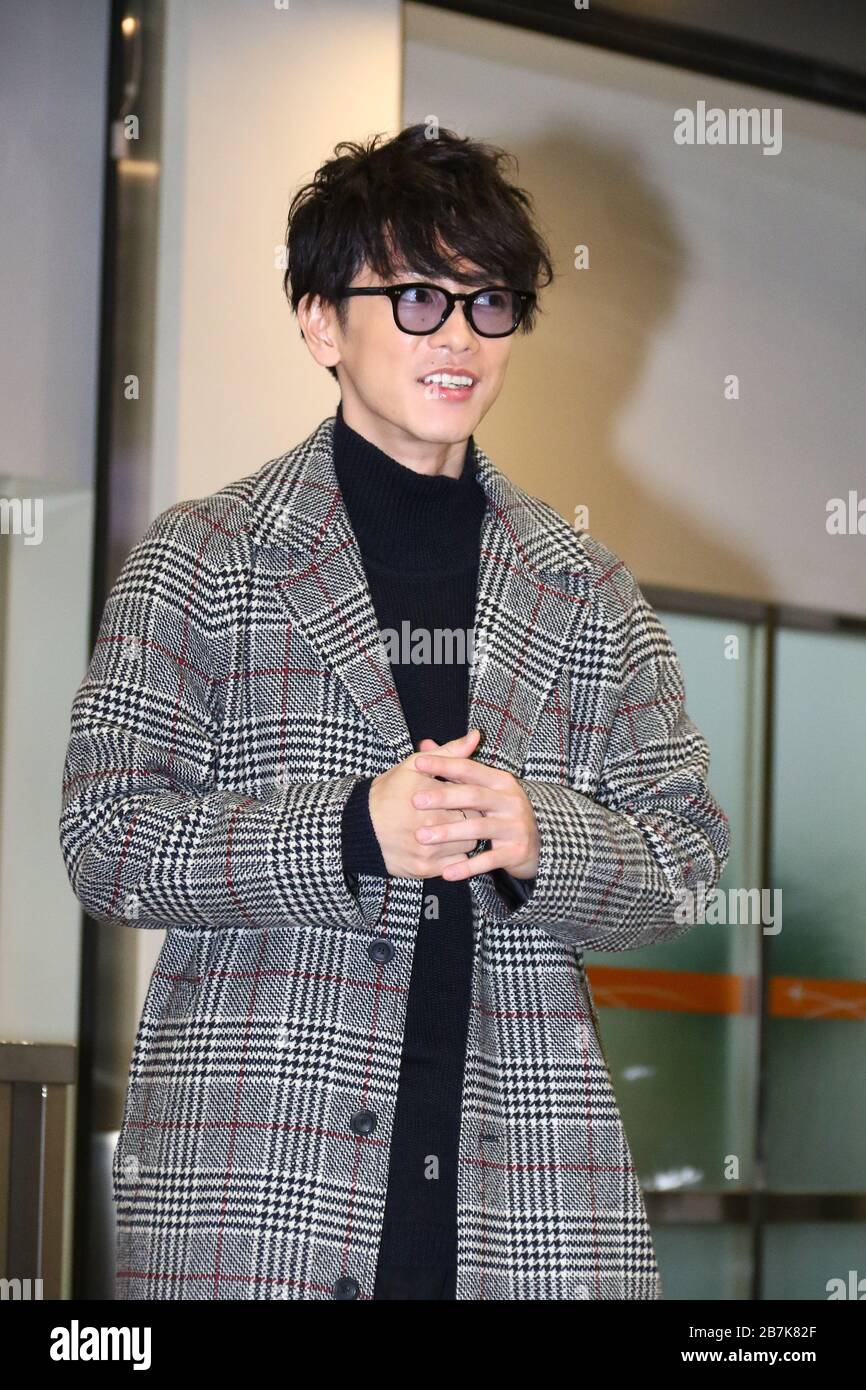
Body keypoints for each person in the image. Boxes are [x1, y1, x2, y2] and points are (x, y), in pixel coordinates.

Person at [59, 124, 730, 1301]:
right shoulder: (202, 558)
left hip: (523, 1193)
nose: (460, 336)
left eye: (490, 302)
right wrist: (348, 831)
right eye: (417, 298)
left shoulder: (585, 588)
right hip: (263, 1177)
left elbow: (686, 864)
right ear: (319, 320)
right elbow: (107, 841)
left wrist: (540, 836)